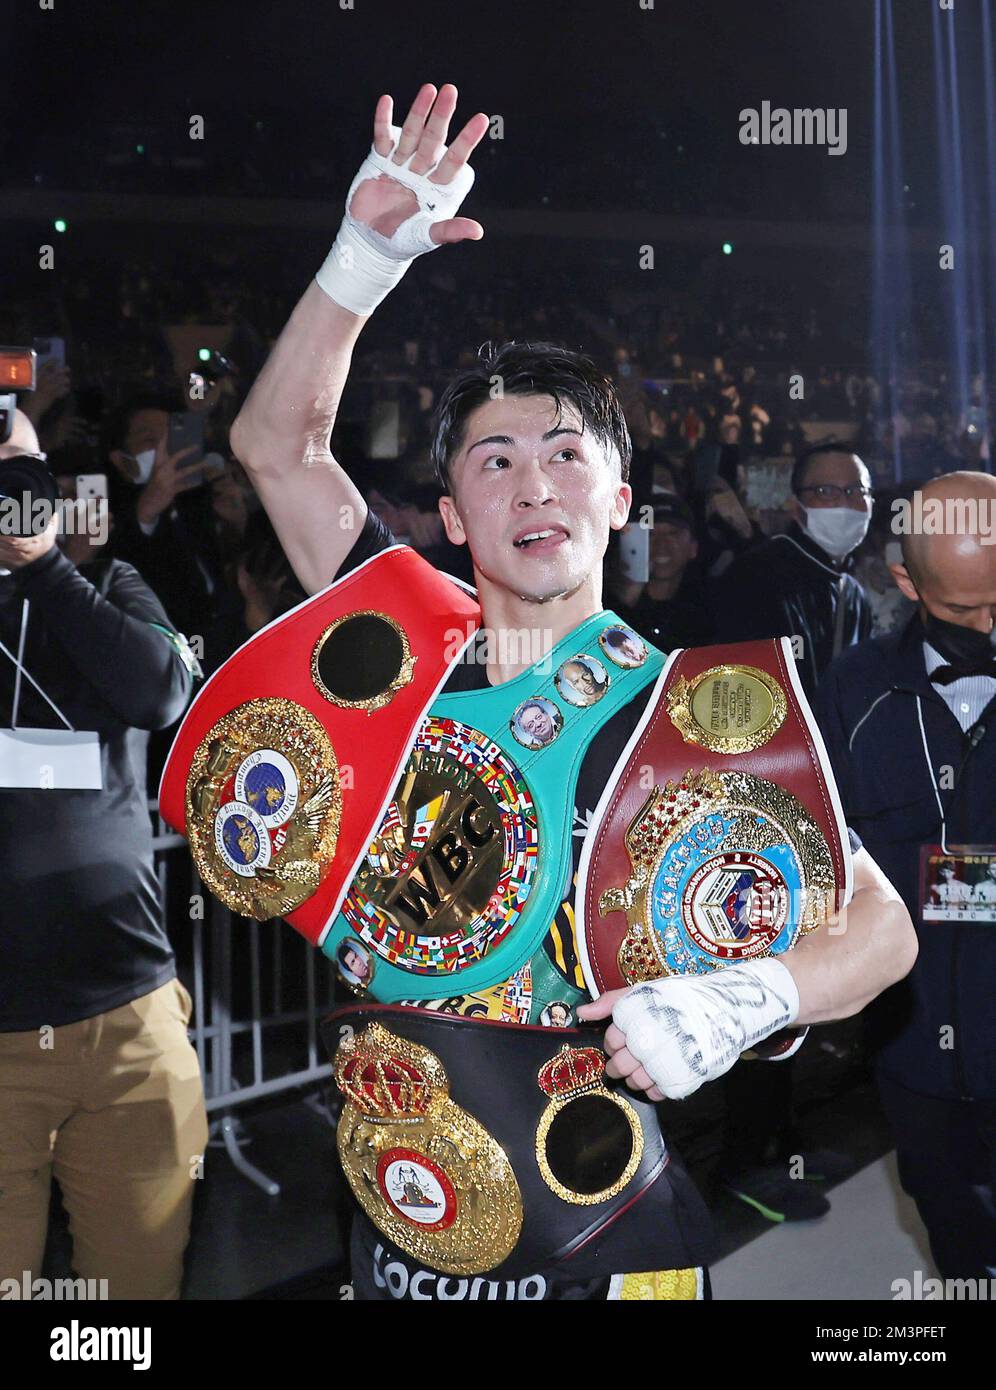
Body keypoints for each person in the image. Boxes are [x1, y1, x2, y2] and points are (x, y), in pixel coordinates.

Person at [229, 81, 917, 1302]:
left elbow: (878, 929)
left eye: (565, 456)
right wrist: (361, 258)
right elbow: (279, 448)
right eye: (494, 461)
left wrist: (744, 996)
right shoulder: (398, 646)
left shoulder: (687, 711)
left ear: (617, 497)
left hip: (601, 1231)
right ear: (450, 514)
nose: (531, 484)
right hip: (399, 1222)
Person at [0, 411, 208, 1299]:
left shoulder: (108, 584)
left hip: (129, 1025)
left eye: (23, 472)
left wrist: (42, 565)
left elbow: (161, 691)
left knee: (134, 1302)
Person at [816, 471, 996, 1279]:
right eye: (964, 610)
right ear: (904, 582)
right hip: (911, 1039)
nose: (989, 625)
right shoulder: (852, 688)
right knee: (945, 1216)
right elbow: (827, 852)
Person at [711, 442, 874, 700]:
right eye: (826, 491)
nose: (844, 503)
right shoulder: (755, 576)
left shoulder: (854, 593)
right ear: (796, 506)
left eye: (857, 490)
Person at [610, 496, 714, 650]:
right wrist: (627, 598)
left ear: (693, 547)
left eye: (673, 533)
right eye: (651, 534)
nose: (661, 544)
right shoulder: (604, 602)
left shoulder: (708, 609)